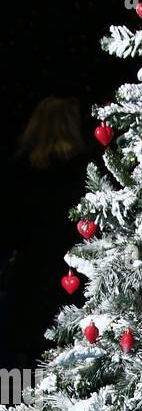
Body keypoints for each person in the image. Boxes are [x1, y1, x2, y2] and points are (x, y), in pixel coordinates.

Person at [0, 97, 90, 378]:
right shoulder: (85, 172)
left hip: (30, 282)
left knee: (24, 376)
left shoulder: (16, 175)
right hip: (73, 279)